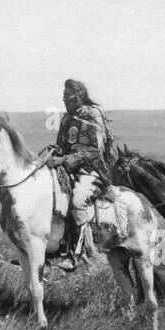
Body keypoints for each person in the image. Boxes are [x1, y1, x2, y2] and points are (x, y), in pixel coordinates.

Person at [46, 78, 111, 270]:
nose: (64, 100)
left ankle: (80, 253)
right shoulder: (67, 118)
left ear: (79, 96)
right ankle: (50, 250)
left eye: (67, 96)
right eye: (63, 96)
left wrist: (64, 160)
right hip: (68, 169)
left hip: (92, 171)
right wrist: (54, 154)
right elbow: (62, 146)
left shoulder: (93, 115)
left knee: (77, 201)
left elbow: (95, 150)